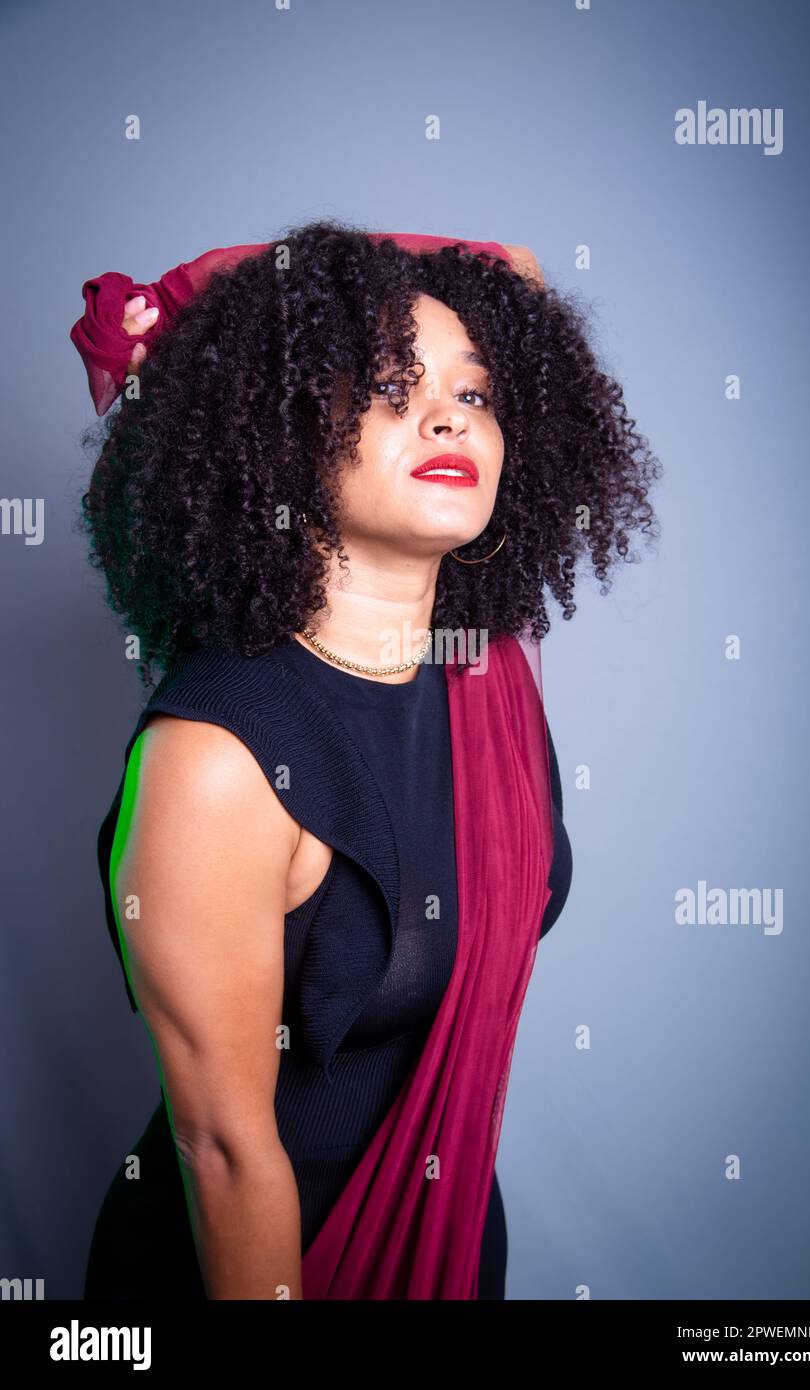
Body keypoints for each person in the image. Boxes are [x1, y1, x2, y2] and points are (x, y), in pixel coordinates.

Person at [73, 219, 660, 1299]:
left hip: (450, 1256)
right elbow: (227, 1152)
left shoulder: (490, 690)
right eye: (389, 385)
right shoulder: (219, 756)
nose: (447, 414)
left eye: (475, 392)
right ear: (277, 433)